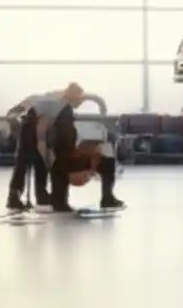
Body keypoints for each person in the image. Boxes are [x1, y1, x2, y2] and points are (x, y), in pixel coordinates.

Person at [45, 83, 124, 213]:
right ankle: (107, 198)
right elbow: (66, 145)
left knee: (99, 155)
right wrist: (87, 152)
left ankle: (59, 200)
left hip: (58, 159)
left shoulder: (61, 113)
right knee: (107, 162)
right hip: (65, 161)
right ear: (73, 97)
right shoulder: (64, 115)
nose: (81, 101)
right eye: (80, 98)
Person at [4, 86, 74, 210]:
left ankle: (18, 197)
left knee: (25, 164)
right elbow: (46, 129)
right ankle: (38, 196)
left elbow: (12, 113)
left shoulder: (36, 98)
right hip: (34, 129)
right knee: (37, 162)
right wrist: (43, 145)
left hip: (26, 127)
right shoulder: (61, 106)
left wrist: (15, 126)